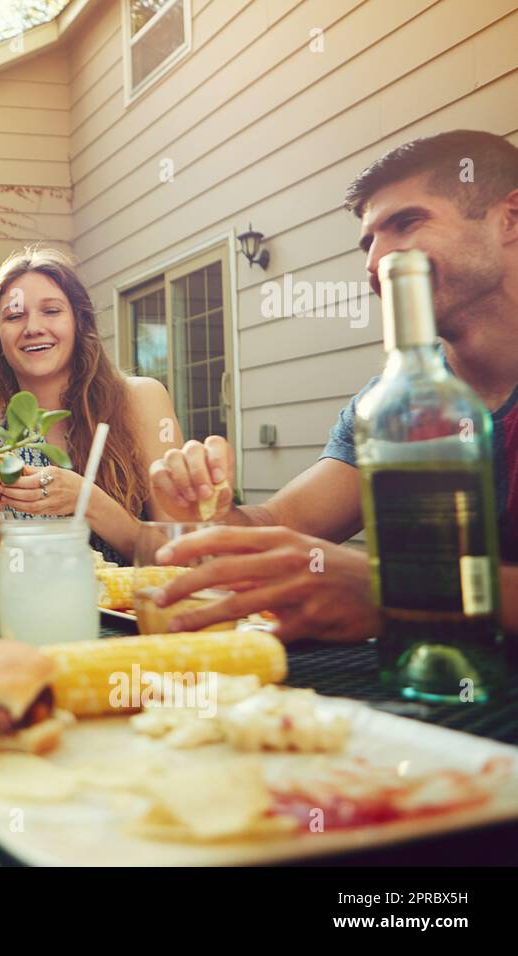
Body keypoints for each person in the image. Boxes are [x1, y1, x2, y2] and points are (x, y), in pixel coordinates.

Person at [148, 130, 518, 640]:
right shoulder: (390, 406)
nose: (374, 263)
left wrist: (394, 590)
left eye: (407, 222)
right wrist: (211, 507)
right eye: (368, 243)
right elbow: (276, 524)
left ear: (510, 218)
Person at [0, 246, 184, 563]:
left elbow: (181, 554)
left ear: (79, 322)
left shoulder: (141, 400)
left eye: (51, 311)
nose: (32, 327)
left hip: (126, 613)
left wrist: (87, 502)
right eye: (15, 316)